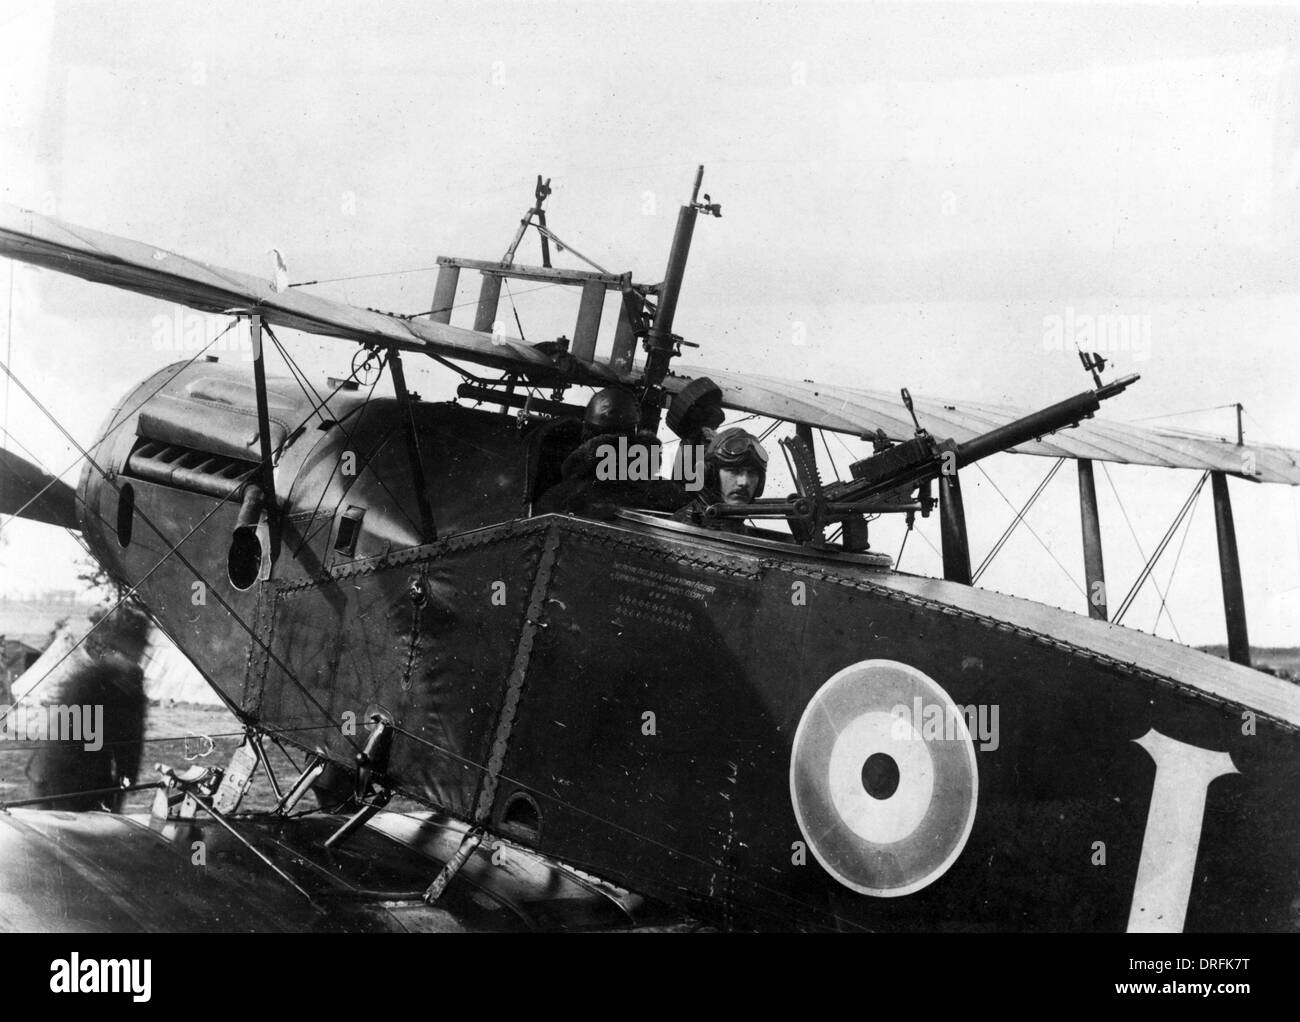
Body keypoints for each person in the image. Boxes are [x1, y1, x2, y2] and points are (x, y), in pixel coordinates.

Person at [534, 387, 688, 517]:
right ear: (634, 434)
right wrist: (693, 445)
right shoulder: (666, 494)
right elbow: (691, 500)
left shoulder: (558, 498)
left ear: (586, 435)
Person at [673, 427, 768, 533]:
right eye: (734, 471)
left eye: (751, 473)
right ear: (709, 476)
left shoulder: (736, 530)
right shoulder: (676, 530)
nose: (744, 482)